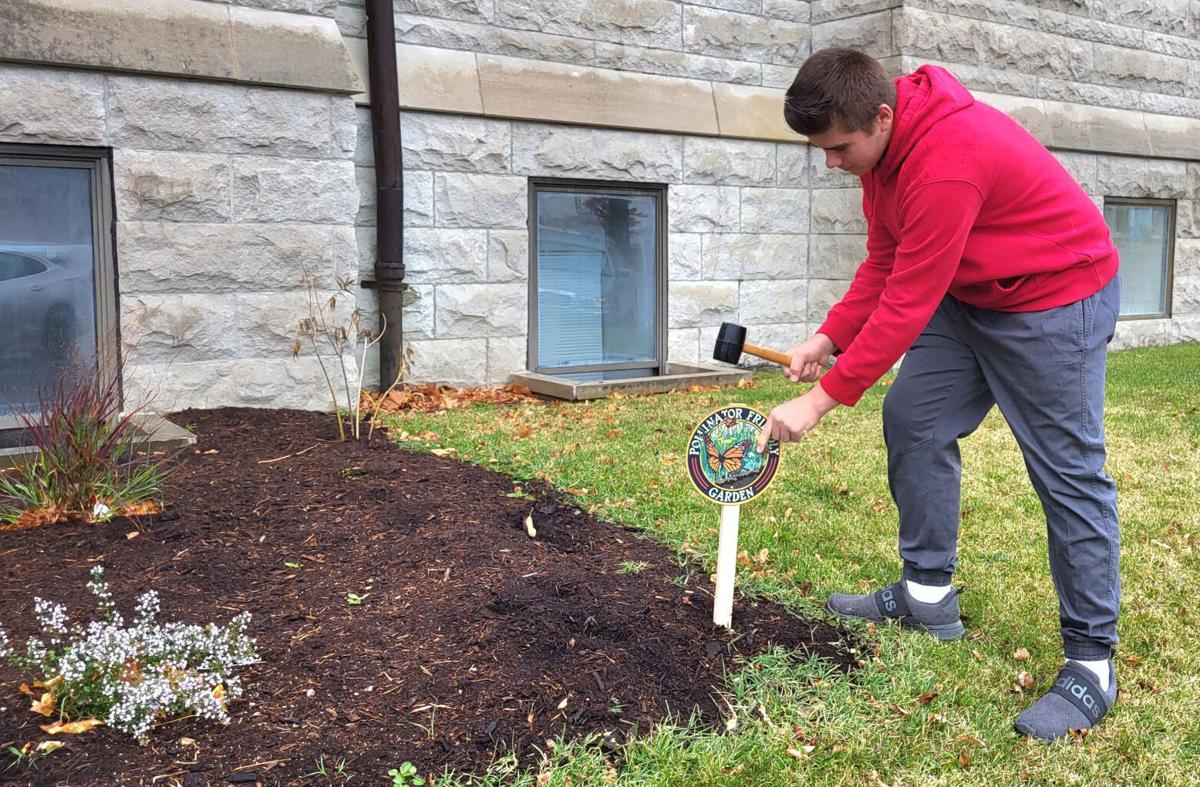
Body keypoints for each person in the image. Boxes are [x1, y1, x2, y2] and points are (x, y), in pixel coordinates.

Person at [756, 48, 1121, 741]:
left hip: (1054, 296)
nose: (831, 163)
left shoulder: (946, 161)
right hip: (973, 294)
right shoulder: (882, 154)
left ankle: (1092, 661)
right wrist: (829, 336)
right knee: (915, 418)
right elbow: (886, 259)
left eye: (838, 148)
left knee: (1068, 473)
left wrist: (818, 400)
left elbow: (906, 304)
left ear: (881, 116)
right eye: (821, 150)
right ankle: (927, 593)